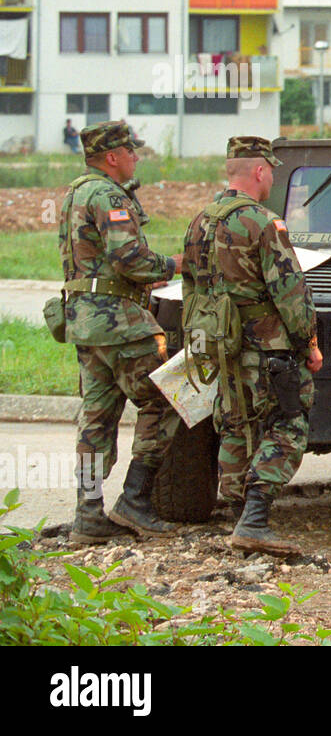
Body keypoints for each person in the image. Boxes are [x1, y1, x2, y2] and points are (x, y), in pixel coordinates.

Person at [182, 136, 323, 556]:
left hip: (220, 345)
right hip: (269, 347)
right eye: (272, 170)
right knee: (289, 422)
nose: (272, 177)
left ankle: (237, 515)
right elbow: (290, 291)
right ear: (260, 171)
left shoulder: (199, 220)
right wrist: (308, 343)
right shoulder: (263, 222)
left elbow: (190, 286)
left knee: (234, 421)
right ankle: (255, 519)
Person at [59, 119, 182, 544]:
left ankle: (87, 515)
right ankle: (135, 501)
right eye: (131, 152)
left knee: (96, 419)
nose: (135, 158)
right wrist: (175, 265)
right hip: (120, 323)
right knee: (168, 399)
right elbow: (131, 259)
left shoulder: (76, 192)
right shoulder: (109, 195)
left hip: (85, 325)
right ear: (112, 157)